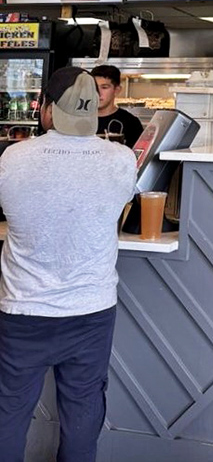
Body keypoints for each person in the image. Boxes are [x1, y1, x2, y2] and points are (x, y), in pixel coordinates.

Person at [0, 66, 137, 462]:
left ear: (46, 107)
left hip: (24, 309)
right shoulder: (122, 159)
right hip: (90, 311)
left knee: (9, 413)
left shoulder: (12, 157)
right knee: (82, 413)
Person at [92, 63, 144, 147]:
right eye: (94, 87)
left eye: (104, 87)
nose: (98, 93)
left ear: (117, 90)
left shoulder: (131, 123)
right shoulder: (79, 120)